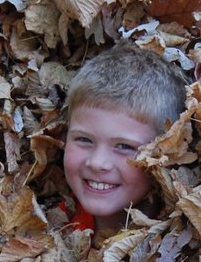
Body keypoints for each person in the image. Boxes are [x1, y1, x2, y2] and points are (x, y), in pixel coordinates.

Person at [61, 44, 188, 237]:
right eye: (84, 140)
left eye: (124, 146)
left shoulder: (181, 241)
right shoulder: (54, 222)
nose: (97, 163)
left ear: (165, 151)